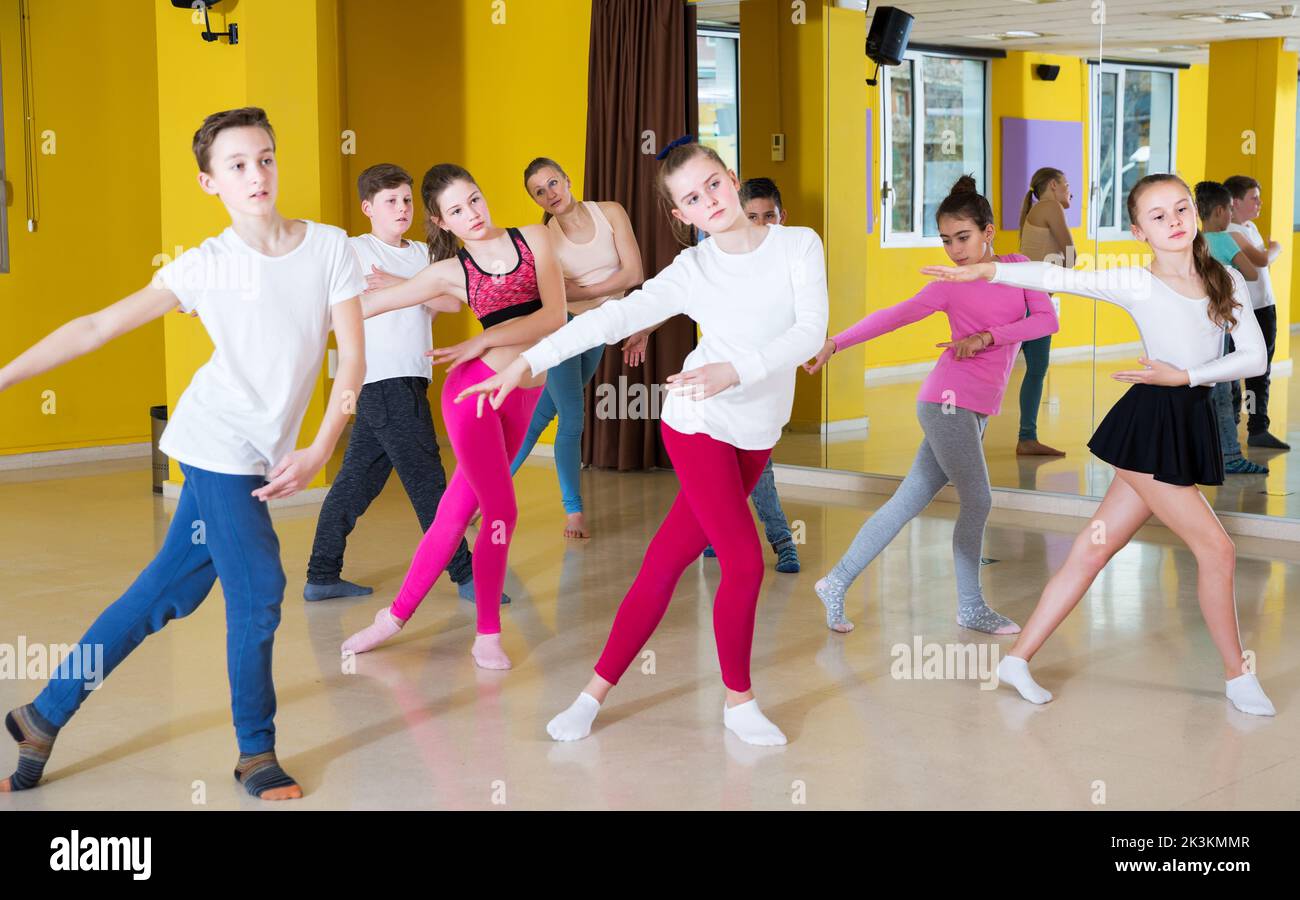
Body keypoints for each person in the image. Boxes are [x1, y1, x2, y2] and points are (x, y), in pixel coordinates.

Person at [0, 107, 368, 798]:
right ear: (210, 183)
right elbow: (96, 325)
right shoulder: (206, 266)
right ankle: (255, 751)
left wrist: (322, 446)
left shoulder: (330, 248)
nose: (256, 174)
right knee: (259, 592)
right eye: (237, 165)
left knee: (167, 592)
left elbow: (351, 362)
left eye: (265, 157)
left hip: (264, 448)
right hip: (215, 439)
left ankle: (41, 716)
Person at [456, 141, 828, 744]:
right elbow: (607, 320)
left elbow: (811, 330)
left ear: (731, 179)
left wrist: (736, 371)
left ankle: (590, 695)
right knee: (744, 561)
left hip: (757, 431)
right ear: (680, 216)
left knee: (663, 563)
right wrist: (525, 365)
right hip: (697, 422)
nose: (709, 200)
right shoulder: (694, 271)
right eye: (691, 198)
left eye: (713, 184)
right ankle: (739, 702)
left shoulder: (798, 245)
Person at [922, 173, 1274, 717]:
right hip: (1151, 421)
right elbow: (1057, 277)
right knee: (1217, 549)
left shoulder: (1224, 276)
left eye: (1181, 209)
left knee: (1094, 546)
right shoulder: (1136, 282)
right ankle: (1237, 676)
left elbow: (1255, 358)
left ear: (1195, 215)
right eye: (1158, 216)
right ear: (1139, 231)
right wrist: (987, 269)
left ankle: (1016, 660)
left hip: (1181, 409)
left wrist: (1187, 376)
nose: (1174, 221)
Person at [806, 176, 1058, 635]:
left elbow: (1047, 320)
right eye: (946, 240)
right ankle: (971, 606)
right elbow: (894, 316)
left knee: (906, 502)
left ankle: (836, 580)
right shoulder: (948, 284)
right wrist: (835, 343)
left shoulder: (1019, 267)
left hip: (974, 407)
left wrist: (987, 337)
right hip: (947, 403)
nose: (955, 250)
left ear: (989, 231)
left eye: (963, 237)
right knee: (978, 500)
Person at [339, 164, 566, 670]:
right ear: (443, 223)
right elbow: (368, 304)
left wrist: (485, 336)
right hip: (474, 395)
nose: (473, 215)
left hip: (522, 394)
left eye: (476, 200)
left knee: (454, 514)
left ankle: (392, 618)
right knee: (502, 512)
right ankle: (487, 634)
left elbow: (554, 317)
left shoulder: (534, 239)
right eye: (458, 211)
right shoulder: (449, 272)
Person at [303, 163, 503, 604]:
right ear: (368, 207)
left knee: (356, 483)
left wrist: (405, 285)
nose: (402, 208)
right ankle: (468, 577)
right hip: (381, 381)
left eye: (407, 200)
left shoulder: (421, 255)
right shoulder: (354, 251)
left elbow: (452, 302)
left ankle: (321, 575)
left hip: (411, 380)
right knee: (428, 481)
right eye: (391, 201)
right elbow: (313, 293)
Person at [508, 157, 645, 539]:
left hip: (598, 330)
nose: (550, 194)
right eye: (539, 191)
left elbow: (635, 274)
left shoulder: (610, 213)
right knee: (572, 418)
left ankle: (483, 496)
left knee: (540, 417)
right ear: (536, 199)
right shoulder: (544, 237)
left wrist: (586, 291)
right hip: (563, 328)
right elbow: (555, 294)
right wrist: (606, 291)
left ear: (567, 180)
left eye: (553, 183)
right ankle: (574, 512)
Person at [1195, 180, 1266, 476]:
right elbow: (1251, 272)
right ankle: (1230, 454)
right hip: (1221, 327)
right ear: (1223, 211)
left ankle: (1204, 450)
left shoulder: (1195, 241)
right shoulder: (1225, 240)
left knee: (1205, 391)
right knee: (1225, 391)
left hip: (1196, 327)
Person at [1224, 174, 1290, 451]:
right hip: (1244, 313)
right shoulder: (1230, 232)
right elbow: (1261, 259)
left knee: (1261, 370)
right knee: (1237, 371)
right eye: (1254, 197)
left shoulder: (1249, 227)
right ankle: (1233, 427)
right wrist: (1275, 247)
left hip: (1265, 308)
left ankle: (1258, 426)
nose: (1259, 202)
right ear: (1236, 202)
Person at [1015, 166, 1074, 457]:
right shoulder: (1050, 206)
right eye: (1066, 185)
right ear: (1053, 185)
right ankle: (1024, 437)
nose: (1070, 191)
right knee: (1028, 370)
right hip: (1027, 302)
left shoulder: (1040, 209)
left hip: (1033, 301)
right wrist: (1071, 274)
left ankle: (1027, 438)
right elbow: (1070, 248)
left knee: (1036, 370)